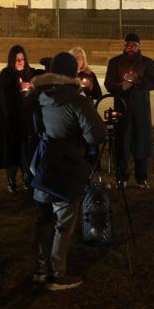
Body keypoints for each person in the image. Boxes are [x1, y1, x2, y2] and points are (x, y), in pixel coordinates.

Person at [26, 52, 107, 290]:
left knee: (42, 219)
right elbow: (96, 135)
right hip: (67, 164)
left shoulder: (38, 95)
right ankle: (57, 273)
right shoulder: (77, 100)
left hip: (42, 163)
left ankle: (40, 269)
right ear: (73, 73)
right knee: (63, 221)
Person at [104, 33, 154, 188]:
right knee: (121, 143)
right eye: (128, 45)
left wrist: (137, 80)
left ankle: (142, 178)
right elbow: (108, 83)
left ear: (139, 46)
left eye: (134, 45)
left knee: (141, 143)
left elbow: (151, 84)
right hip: (121, 108)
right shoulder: (115, 62)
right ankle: (122, 177)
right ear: (124, 46)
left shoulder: (147, 63)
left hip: (140, 110)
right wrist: (121, 86)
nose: (131, 48)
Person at [0, 45, 34, 193]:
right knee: (11, 152)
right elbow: (2, 98)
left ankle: (27, 178)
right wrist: (18, 91)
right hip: (11, 122)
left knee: (26, 152)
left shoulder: (30, 73)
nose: (20, 62)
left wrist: (30, 89)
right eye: (17, 60)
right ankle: (11, 180)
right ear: (11, 60)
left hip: (26, 122)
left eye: (22, 59)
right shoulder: (6, 75)